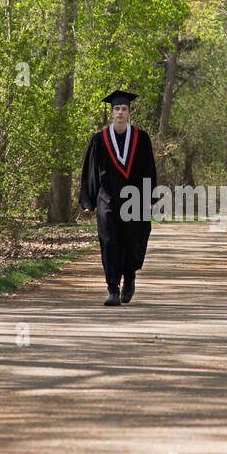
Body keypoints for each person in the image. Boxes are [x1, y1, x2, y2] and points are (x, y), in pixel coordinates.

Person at [79, 89, 157, 306]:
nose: (120, 113)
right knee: (109, 241)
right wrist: (89, 200)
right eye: (117, 109)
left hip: (135, 199)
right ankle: (113, 289)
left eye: (124, 109)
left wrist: (150, 197)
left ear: (129, 113)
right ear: (111, 113)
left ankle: (130, 277)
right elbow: (91, 171)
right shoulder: (100, 139)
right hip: (108, 199)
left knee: (132, 241)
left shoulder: (141, 138)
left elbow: (149, 169)